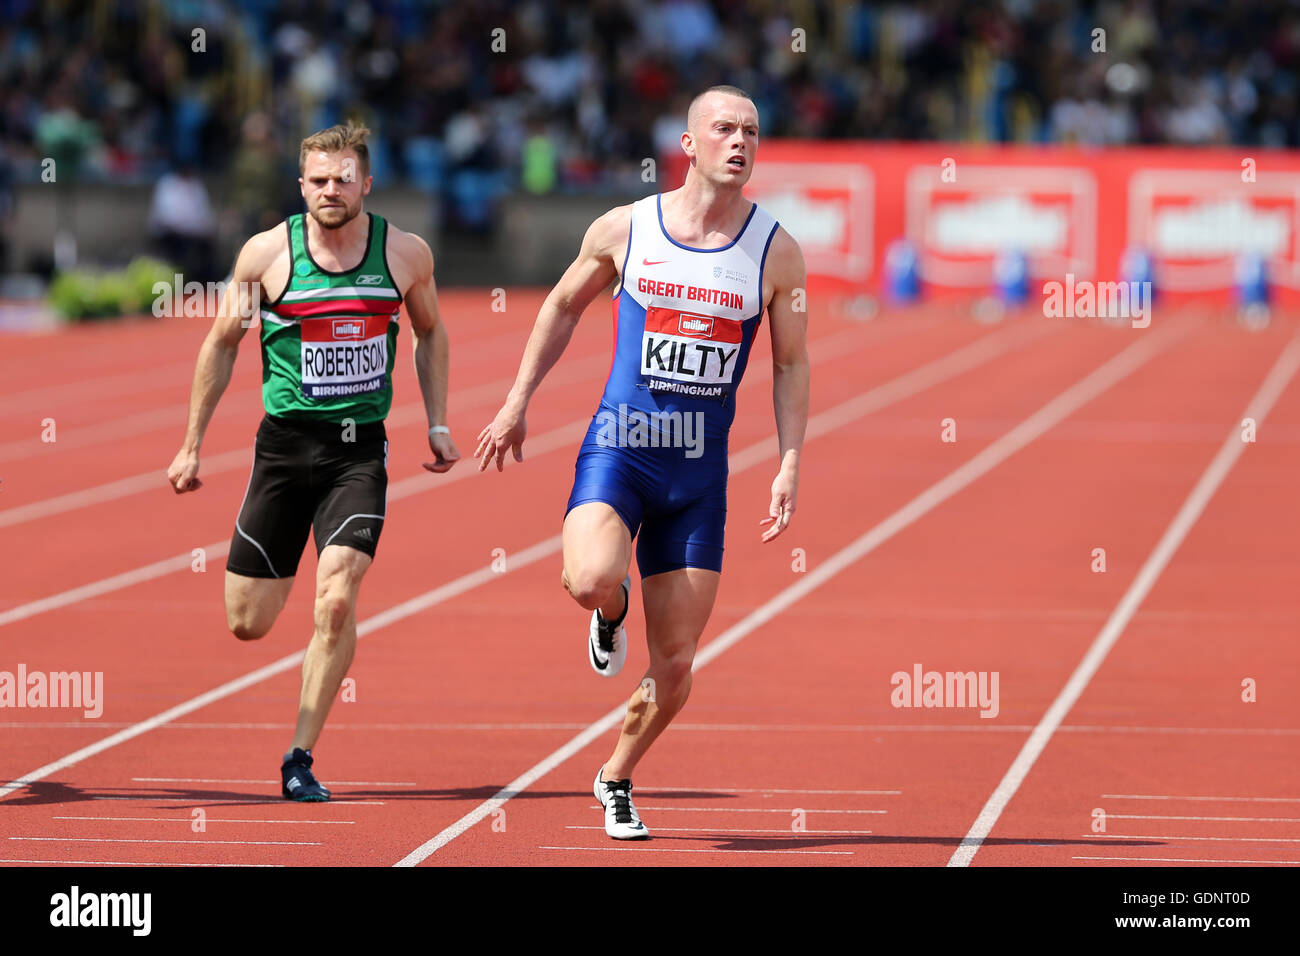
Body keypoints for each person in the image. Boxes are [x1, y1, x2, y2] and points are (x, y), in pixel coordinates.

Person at [476, 86, 809, 838]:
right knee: (590, 578)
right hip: (622, 449)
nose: (739, 142)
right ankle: (611, 611)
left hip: (698, 477)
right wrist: (516, 401)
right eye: (723, 129)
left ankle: (615, 776)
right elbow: (561, 305)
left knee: (680, 661)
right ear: (687, 144)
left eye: (751, 132)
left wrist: (789, 462)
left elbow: (791, 365)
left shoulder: (775, 251)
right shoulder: (629, 228)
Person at [166, 123, 460, 801]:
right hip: (282, 452)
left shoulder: (404, 254)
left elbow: (431, 331)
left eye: (344, 178)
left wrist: (438, 420)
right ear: (301, 186)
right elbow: (221, 343)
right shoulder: (267, 255)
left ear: (367, 182)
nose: (332, 190)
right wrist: (192, 444)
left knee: (335, 599)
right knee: (248, 623)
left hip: (357, 454)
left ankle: (299, 756)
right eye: (319, 180)